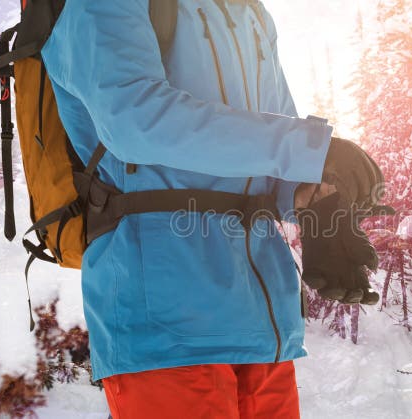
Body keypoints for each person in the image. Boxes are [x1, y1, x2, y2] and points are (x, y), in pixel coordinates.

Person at [40, 0, 386, 417]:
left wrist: (317, 204)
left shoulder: (249, 13)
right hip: (165, 323)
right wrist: (309, 148)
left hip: (263, 324)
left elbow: (274, 160)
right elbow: (137, 121)